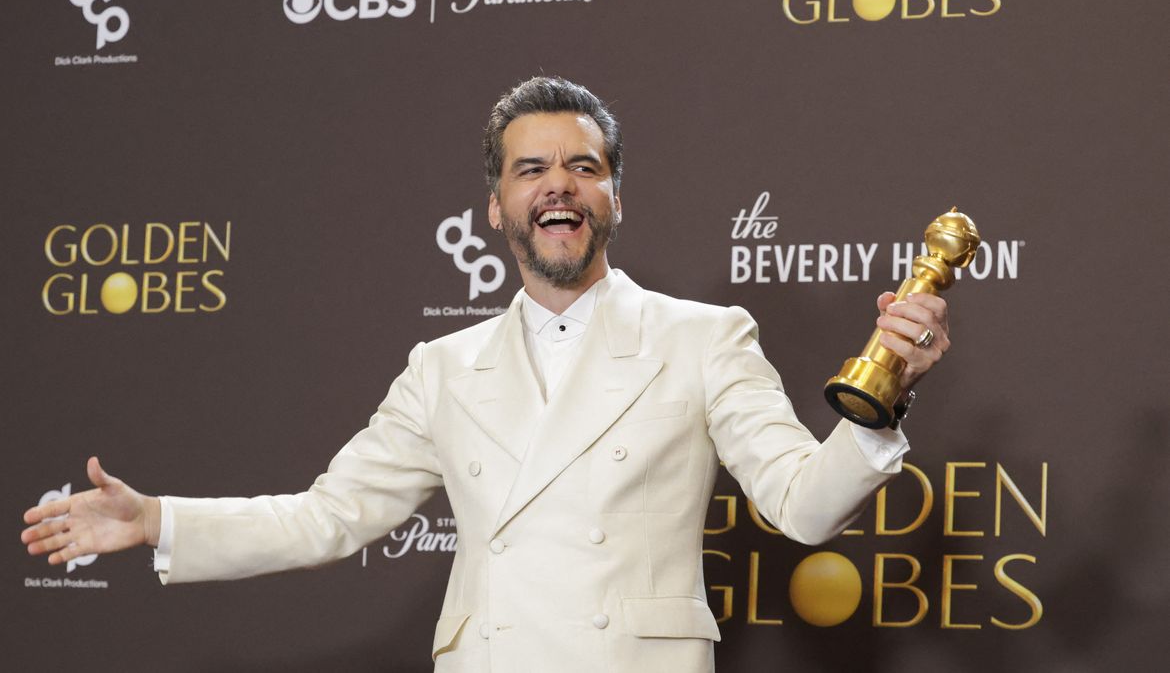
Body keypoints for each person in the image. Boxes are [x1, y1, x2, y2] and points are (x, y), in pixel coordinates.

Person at [22, 77, 951, 672]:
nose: (559, 184)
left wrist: (882, 403)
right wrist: (158, 521)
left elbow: (802, 507)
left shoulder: (704, 337)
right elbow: (327, 517)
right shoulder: (441, 368)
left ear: (613, 197)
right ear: (498, 207)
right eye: (531, 169)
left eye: (583, 166)